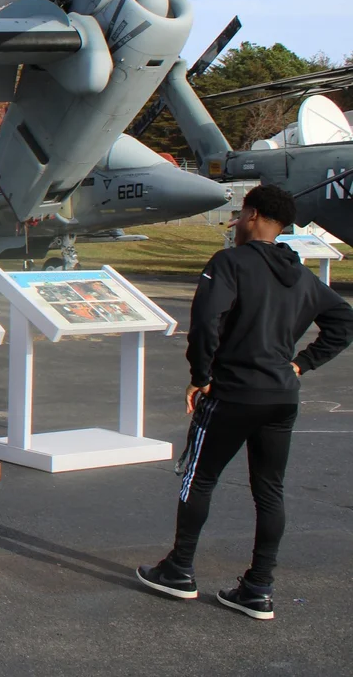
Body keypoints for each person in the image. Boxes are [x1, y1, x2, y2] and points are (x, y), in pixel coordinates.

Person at [137, 184, 353, 619]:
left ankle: (179, 569)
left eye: (239, 214)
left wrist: (201, 376)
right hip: (280, 396)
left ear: (253, 215)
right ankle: (259, 587)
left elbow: (205, 322)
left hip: (232, 392)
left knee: (198, 478)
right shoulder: (302, 275)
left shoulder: (229, 264)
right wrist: (301, 364)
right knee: (269, 492)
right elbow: (343, 319)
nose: (235, 222)